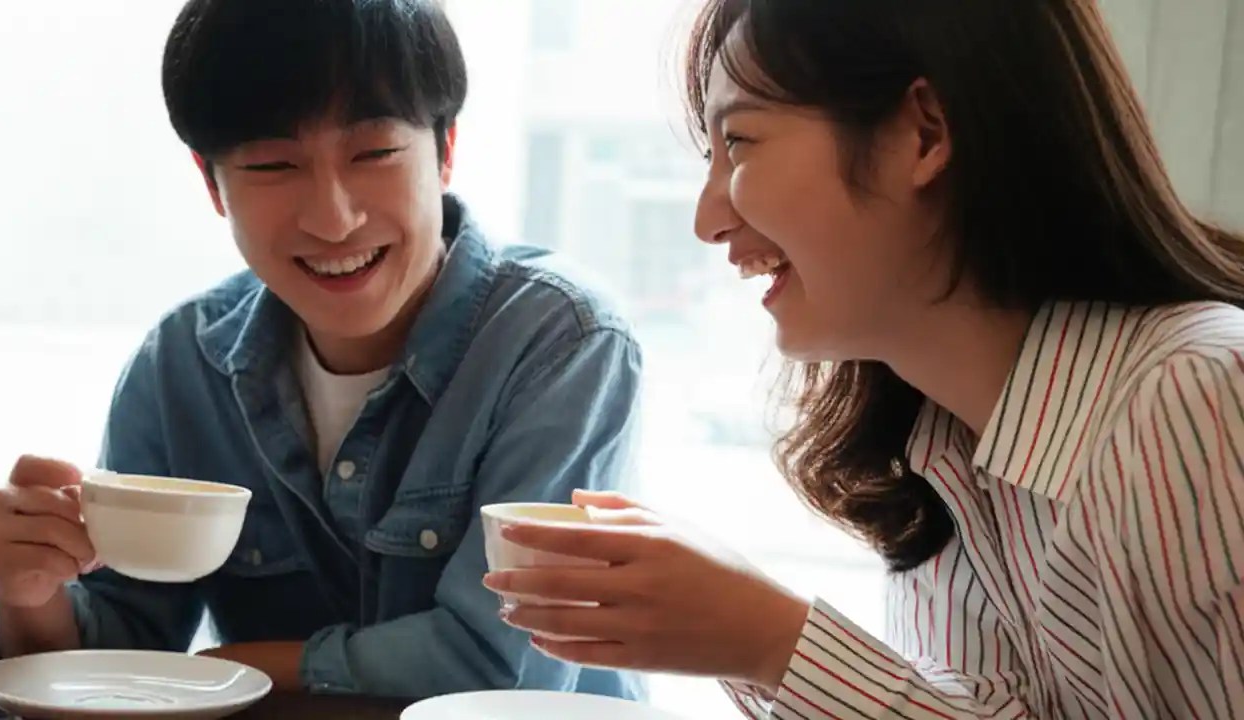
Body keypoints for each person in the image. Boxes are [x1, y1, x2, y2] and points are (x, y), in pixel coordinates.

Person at [481, 0, 1244, 717]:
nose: (708, 219)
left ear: (924, 133)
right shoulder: (940, 457)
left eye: (739, 142)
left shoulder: (1198, 400)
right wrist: (750, 639)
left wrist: (773, 640)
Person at [0, 0, 644, 702]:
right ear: (211, 184)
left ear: (444, 150)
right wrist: (31, 592)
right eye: (272, 165)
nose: (333, 218)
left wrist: (241, 665)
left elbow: (506, 664)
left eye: (374, 153)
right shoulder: (180, 366)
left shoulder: (559, 341)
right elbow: (115, 662)